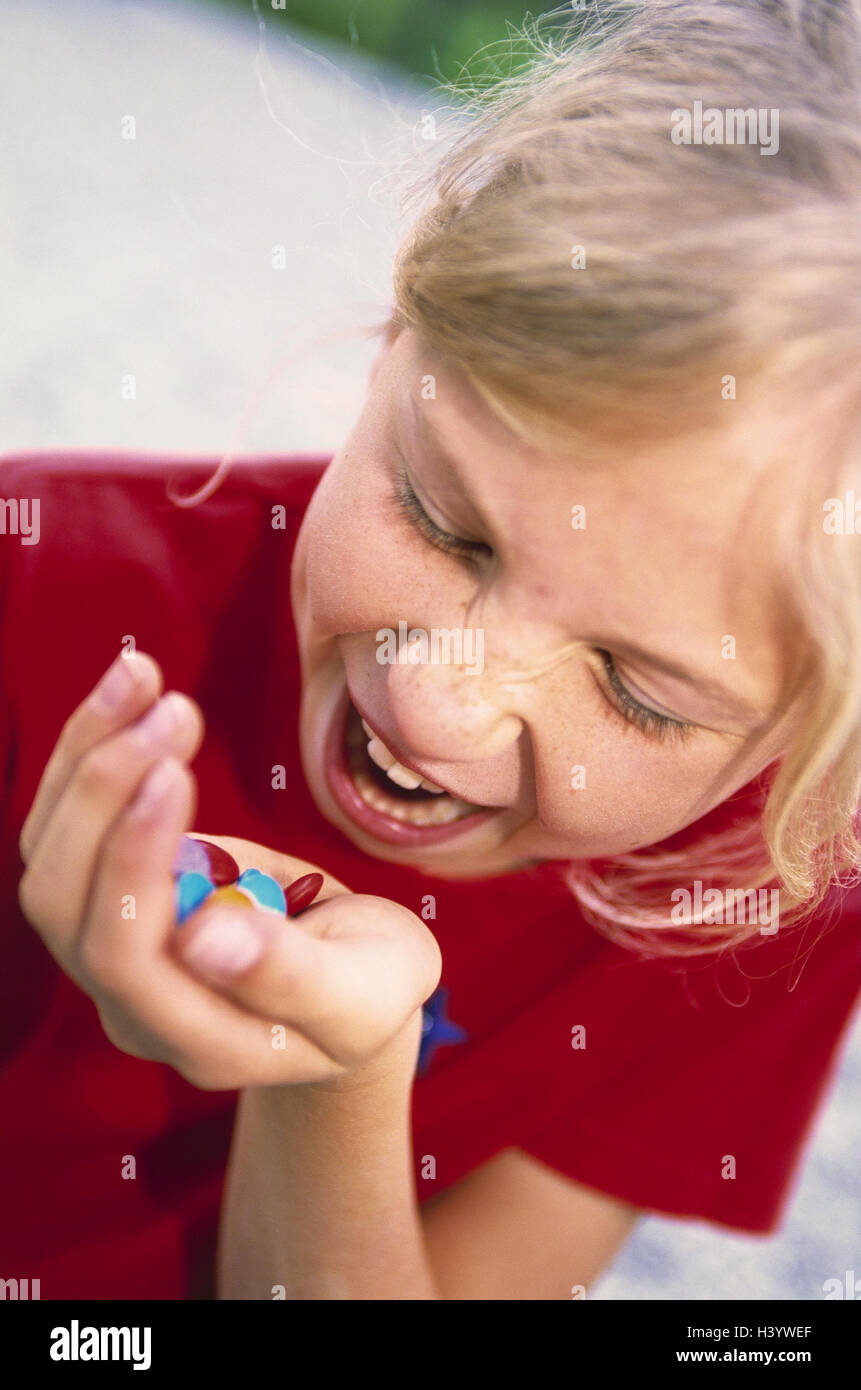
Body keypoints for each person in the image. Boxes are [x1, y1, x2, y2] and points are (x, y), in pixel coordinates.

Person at [2, 0, 859, 1300]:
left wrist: (344, 1069)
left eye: (632, 689)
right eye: (439, 519)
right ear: (397, 327)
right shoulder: (40, 583)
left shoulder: (766, 890)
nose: (432, 699)